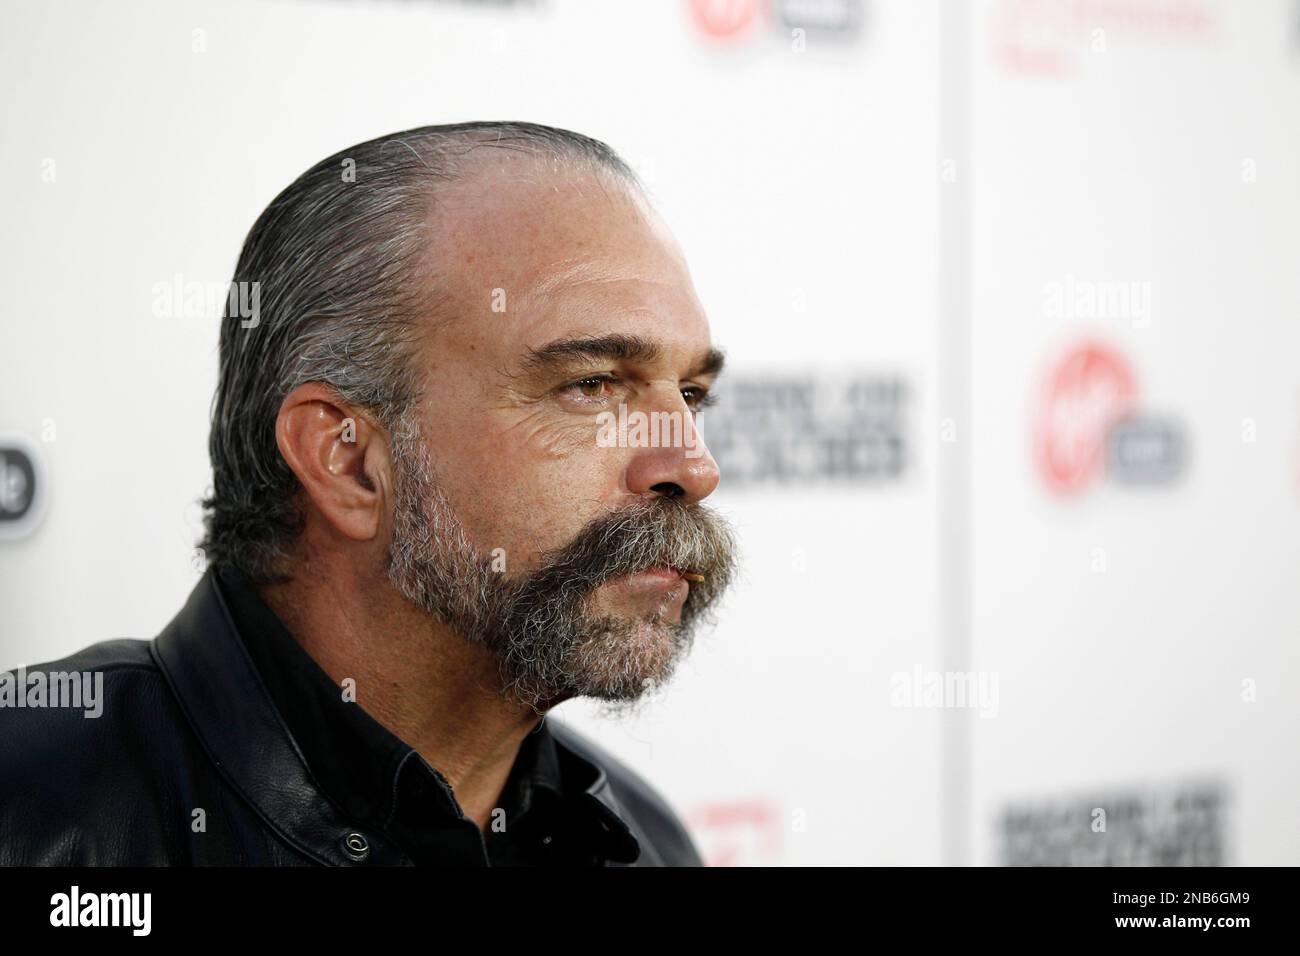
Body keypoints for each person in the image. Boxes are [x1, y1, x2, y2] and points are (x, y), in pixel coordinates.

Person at [0, 122, 738, 866]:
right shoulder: (31, 816)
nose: (694, 468)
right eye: (593, 386)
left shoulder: (644, 844)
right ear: (347, 461)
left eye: (691, 394)